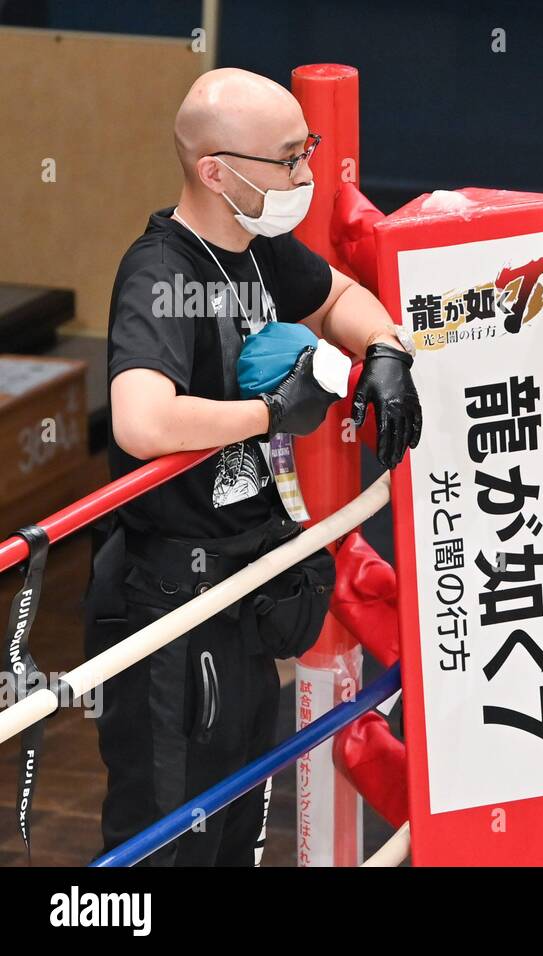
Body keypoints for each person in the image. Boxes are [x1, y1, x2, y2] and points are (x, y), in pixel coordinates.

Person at [86, 68, 422, 866]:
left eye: (307, 148)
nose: (305, 173)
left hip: (241, 589)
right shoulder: (162, 271)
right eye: (286, 157)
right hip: (170, 606)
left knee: (235, 820)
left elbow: (339, 294)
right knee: (168, 838)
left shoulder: (257, 252)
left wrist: (383, 349)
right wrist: (273, 414)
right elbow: (141, 419)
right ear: (215, 170)